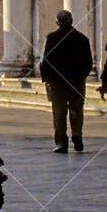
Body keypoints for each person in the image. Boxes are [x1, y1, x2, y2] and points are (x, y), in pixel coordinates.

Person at [39, 9, 94, 154]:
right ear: (71, 21)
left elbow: (44, 61)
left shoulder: (51, 38)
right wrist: (81, 76)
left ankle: (61, 143)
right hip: (76, 81)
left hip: (57, 82)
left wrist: (47, 79)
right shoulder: (82, 39)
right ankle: (77, 136)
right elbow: (88, 62)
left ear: (57, 22)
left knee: (59, 112)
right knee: (77, 110)